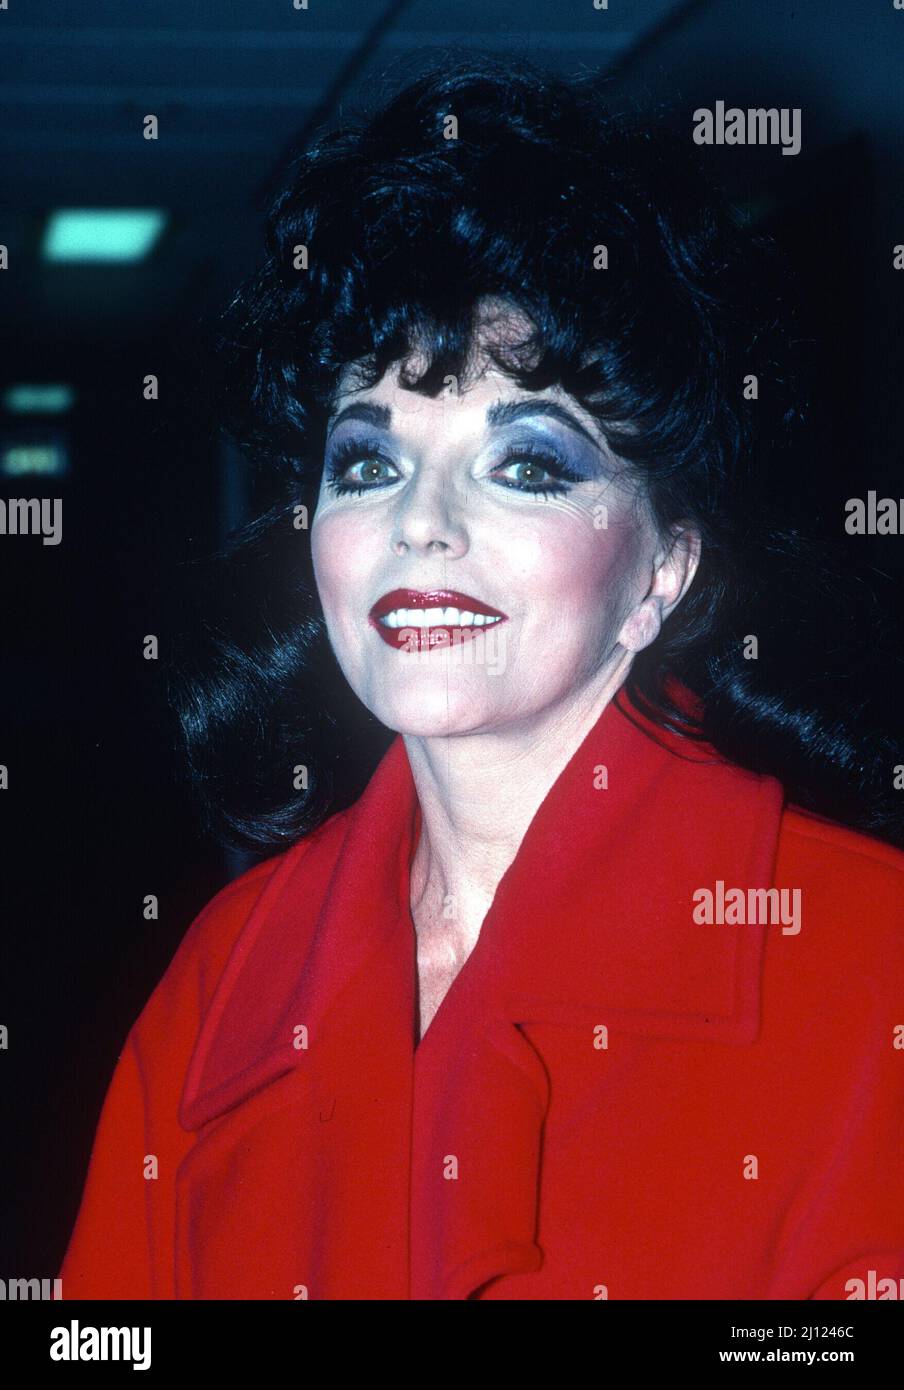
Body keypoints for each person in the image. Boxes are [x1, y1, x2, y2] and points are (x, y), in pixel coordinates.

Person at [59, 56, 904, 1300]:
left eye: (526, 466)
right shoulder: (225, 973)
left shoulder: (864, 962)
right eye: (366, 463)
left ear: (662, 568)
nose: (422, 525)